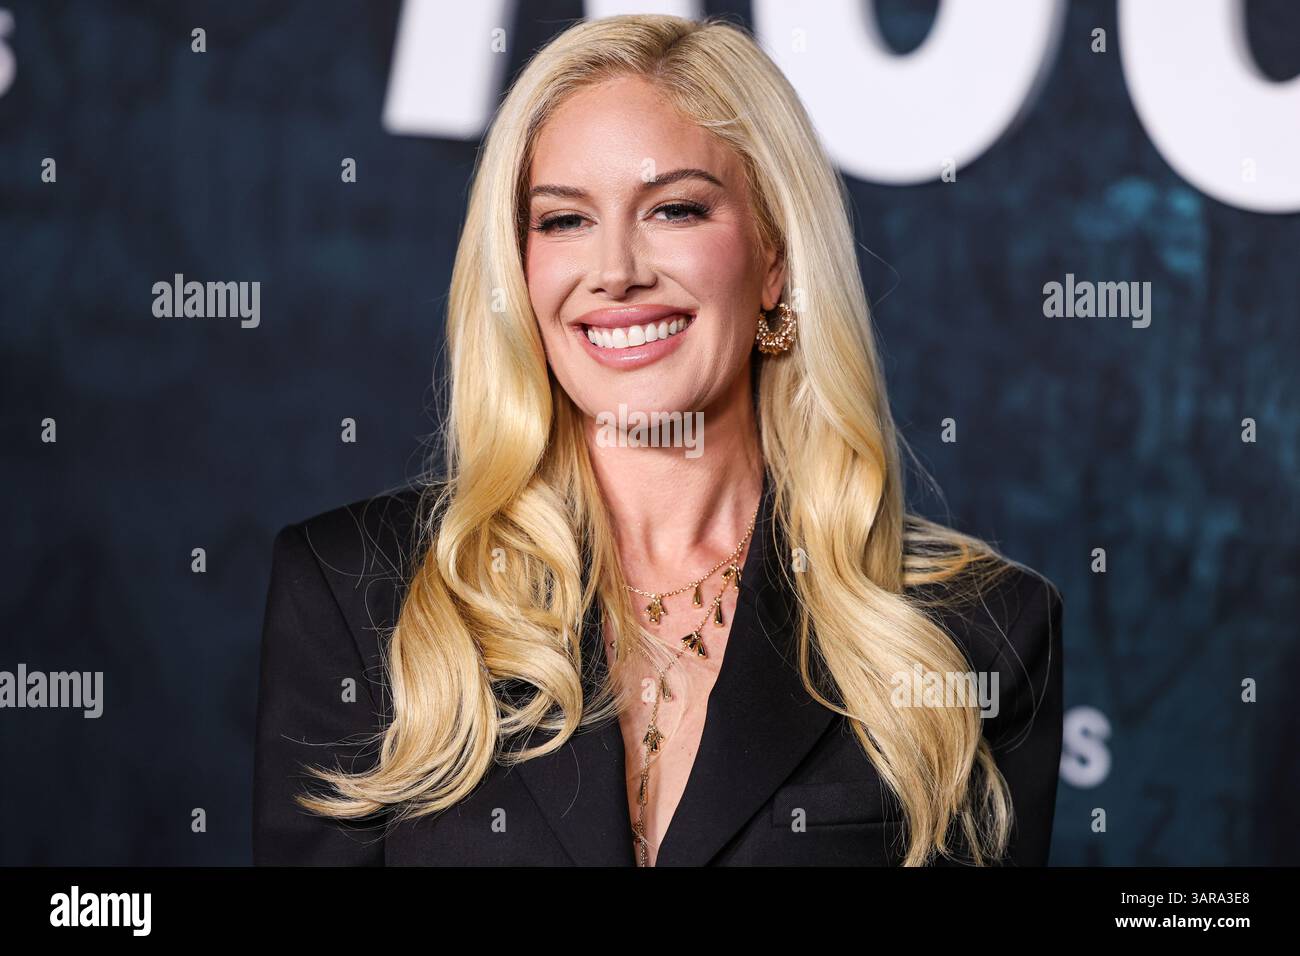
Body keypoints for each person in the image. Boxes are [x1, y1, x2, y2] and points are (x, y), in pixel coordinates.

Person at [253, 13, 1063, 867]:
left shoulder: (977, 634)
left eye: (674, 209)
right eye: (563, 220)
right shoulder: (356, 596)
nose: (615, 269)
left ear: (775, 257)